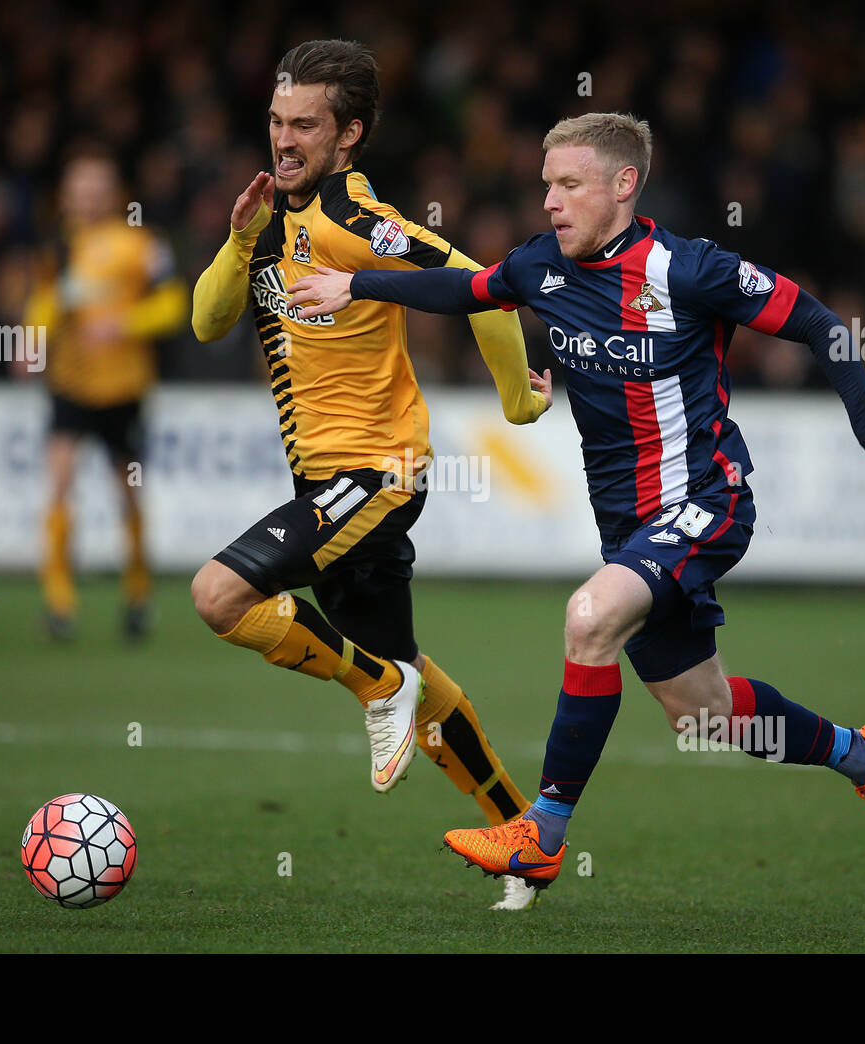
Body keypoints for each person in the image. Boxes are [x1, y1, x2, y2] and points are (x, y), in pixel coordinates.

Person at [288, 112, 865, 890]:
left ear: (623, 184)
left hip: (707, 499)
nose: (550, 203)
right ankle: (864, 753)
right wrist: (356, 283)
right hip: (631, 528)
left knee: (589, 616)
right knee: (702, 713)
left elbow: (817, 322)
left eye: (568, 185)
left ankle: (542, 832)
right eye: (546, 186)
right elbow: (467, 289)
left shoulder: (688, 268)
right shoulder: (541, 266)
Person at [190, 40, 549, 909]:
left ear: (348, 135)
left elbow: (478, 283)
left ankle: (379, 689)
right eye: (276, 120)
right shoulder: (269, 217)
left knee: (218, 595)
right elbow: (207, 322)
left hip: (377, 472)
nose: (284, 138)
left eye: (305, 124)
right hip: (331, 482)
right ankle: (523, 840)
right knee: (407, 663)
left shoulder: (355, 219)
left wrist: (518, 402)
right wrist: (239, 241)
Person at [23, 145, 187, 640]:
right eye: (78, 189)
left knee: (129, 495)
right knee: (58, 482)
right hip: (71, 385)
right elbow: (47, 302)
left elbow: (175, 305)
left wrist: (127, 324)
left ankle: (137, 594)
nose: (87, 198)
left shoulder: (141, 245)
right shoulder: (58, 248)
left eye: (96, 189)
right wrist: (33, 342)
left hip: (123, 389)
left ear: (113, 194)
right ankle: (59, 604)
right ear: (68, 197)